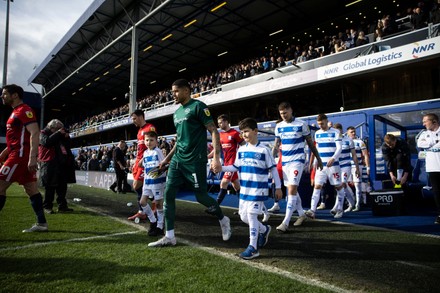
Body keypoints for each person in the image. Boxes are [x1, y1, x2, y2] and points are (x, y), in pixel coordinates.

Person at [148, 79, 231, 247]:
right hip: (178, 160)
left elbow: (213, 130)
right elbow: (179, 141)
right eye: (172, 92)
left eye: (176, 91)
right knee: (169, 195)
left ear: (186, 91)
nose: (173, 95)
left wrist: (216, 157)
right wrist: (166, 159)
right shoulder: (176, 113)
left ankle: (223, 219)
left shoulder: (199, 107)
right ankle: (170, 236)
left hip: (195, 161)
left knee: (201, 196)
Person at [221, 117, 282, 259]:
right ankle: (264, 229)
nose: (244, 135)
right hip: (245, 190)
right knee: (243, 217)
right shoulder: (241, 150)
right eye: (242, 132)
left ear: (255, 131)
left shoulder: (264, 150)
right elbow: (235, 167)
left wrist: (278, 187)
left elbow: (273, 170)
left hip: (258, 190)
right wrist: (221, 168)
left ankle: (253, 247)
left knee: (252, 216)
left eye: (247, 131)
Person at [0, 84, 48, 232]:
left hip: (20, 157)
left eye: (5, 94)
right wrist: (5, 151)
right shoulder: (16, 112)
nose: (2, 96)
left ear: (15, 95)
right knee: (32, 189)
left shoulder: (24, 110)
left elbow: (34, 133)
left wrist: (33, 157)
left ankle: (41, 223)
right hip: (18, 155)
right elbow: (19, 137)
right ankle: (42, 224)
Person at [272, 102, 323, 232]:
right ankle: (301, 214)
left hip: (297, 161)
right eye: (281, 113)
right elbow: (276, 145)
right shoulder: (279, 126)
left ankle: (285, 222)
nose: (283, 115)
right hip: (285, 163)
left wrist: (318, 159)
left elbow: (311, 144)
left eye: (285, 113)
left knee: (291, 190)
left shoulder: (301, 124)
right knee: (291, 189)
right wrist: (270, 160)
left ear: (291, 110)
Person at [306, 113, 346, 219]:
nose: (321, 126)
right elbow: (317, 149)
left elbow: (339, 148)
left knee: (338, 187)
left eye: (322, 124)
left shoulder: (336, 132)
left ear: (326, 121)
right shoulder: (317, 133)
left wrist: (333, 158)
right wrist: (315, 162)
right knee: (317, 186)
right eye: (319, 124)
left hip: (333, 166)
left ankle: (340, 209)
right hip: (321, 166)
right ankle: (312, 210)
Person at [39, 119, 76, 214]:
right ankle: (47, 207)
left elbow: (67, 146)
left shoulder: (59, 136)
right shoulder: (42, 133)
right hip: (49, 164)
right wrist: (59, 133)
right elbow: (47, 142)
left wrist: (67, 137)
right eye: (58, 128)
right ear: (52, 127)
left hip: (61, 164)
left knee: (62, 187)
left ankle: (62, 206)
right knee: (50, 187)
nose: (61, 130)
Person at [209, 114, 244, 205]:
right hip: (226, 163)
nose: (219, 125)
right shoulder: (220, 135)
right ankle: (243, 207)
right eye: (218, 123)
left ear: (226, 122)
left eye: (221, 123)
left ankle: (215, 206)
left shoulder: (235, 133)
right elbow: (217, 149)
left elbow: (245, 145)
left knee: (223, 183)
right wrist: (208, 156)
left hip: (233, 163)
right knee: (236, 186)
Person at [127, 110, 156, 221]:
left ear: (141, 117)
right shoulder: (139, 131)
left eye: (134, 118)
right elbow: (140, 149)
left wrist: (144, 159)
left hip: (145, 162)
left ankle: (151, 206)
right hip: (138, 162)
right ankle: (144, 210)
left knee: (136, 186)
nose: (133, 121)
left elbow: (152, 146)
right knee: (142, 187)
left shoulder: (150, 128)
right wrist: (135, 160)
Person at [140, 131, 166, 236]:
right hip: (147, 182)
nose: (149, 142)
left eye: (151, 140)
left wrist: (158, 172)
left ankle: (160, 226)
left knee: (158, 204)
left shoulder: (158, 151)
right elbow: (144, 166)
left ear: (156, 141)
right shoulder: (145, 153)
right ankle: (153, 220)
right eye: (147, 140)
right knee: (142, 202)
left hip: (157, 182)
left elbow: (164, 165)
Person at [417, 113, 440, 224]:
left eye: (425, 121)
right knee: (437, 192)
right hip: (432, 168)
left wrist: (430, 146)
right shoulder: (424, 133)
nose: (423, 124)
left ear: (434, 121)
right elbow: (419, 143)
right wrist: (434, 143)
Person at [333, 123, 359, 213]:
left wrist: (357, 168)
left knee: (342, 184)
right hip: (336, 166)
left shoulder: (348, 140)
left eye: (338, 130)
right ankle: (352, 202)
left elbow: (354, 155)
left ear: (341, 130)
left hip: (346, 166)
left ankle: (336, 208)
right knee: (341, 186)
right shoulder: (333, 140)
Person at [346, 126, 370, 211]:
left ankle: (357, 204)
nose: (353, 133)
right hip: (347, 166)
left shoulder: (360, 142)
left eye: (354, 131)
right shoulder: (345, 141)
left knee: (357, 185)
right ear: (347, 133)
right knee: (344, 184)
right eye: (351, 132)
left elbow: (366, 155)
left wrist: (368, 167)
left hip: (357, 166)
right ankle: (351, 203)